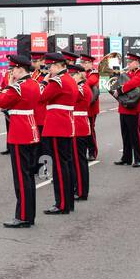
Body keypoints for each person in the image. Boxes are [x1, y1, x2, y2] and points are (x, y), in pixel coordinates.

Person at [0, 54, 42, 228]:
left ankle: (23, 216)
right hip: (30, 130)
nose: (11, 72)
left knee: (21, 178)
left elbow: (2, 101)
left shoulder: (17, 87)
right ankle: (29, 215)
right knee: (29, 176)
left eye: (13, 69)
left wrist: (7, 86)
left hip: (19, 132)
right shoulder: (34, 84)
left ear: (20, 69)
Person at [39, 52, 78, 215]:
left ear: (58, 66)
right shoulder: (69, 79)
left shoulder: (57, 81)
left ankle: (61, 204)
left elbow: (42, 97)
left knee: (60, 167)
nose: (50, 69)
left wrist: (44, 81)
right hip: (66, 123)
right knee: (66, 164)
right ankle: (68, 202)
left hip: (57, 125)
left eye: (51, 66)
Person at [66, 52, 93, 201]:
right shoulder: (80, 86)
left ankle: (82, 191)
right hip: (76, 124)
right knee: (75, 160)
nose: (70, 78)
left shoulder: (82, 88)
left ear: (79, 75)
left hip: (79, 124)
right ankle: (77, 187)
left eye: (72, 75)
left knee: (78, 161)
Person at [114, 53, 140, 168]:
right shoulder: (126, 73)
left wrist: (121, 89)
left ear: (137, 62)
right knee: (125, 134)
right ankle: (126, 157)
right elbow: (119, 83)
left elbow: (133, 83)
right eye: (128, 62)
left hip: (136, 106)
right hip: (124, 106)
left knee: (135, 134)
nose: (128, 64)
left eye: (130, 62)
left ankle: (138, 159)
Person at [80, 54, 101, 160]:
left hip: (91, 108)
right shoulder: (81, 72)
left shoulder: (94, 73)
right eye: (82, 63)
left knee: (90, 130)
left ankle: (92, 152)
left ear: (90, 63)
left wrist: (79, 82)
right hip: (82, 106)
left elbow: (89, 82)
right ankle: (83, 151)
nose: (83, 65)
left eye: (85, 63)